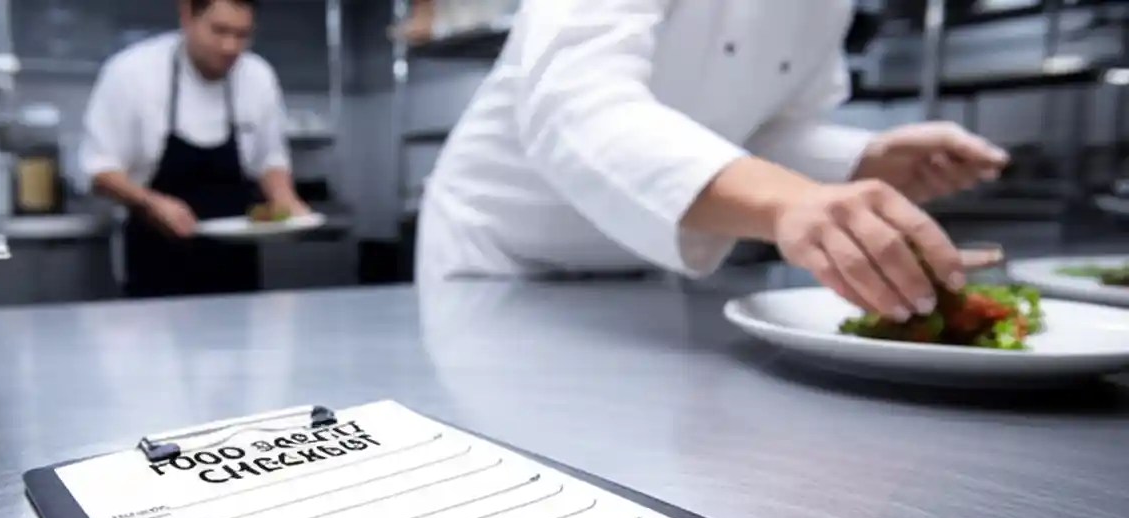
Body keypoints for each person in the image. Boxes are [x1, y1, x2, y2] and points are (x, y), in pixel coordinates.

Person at [418, 0, 1010, 323]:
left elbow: (767, 128)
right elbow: (574, 103)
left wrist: (861, 158)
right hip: (499, 263)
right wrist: (789, 201)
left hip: (643, 272)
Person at [80, 0, 311, 298]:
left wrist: (286, 201)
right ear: (187, 15)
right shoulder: (131, 73)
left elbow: (269, 158)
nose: (230, 47)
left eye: (242, 35)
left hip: (236, 270)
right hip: (155, 266)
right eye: (219, 31)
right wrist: (150, 203)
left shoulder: (258, 77)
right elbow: (99, 169)